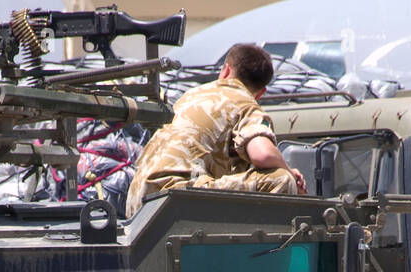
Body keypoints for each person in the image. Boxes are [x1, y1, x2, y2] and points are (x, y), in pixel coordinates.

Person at [125, 43, 306, 217]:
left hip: (138, 199)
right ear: (261, 93)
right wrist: (290, 171)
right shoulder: (247, 105)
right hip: (175, 198)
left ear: (226, 70)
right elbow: (263, 155)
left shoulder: (191, 95)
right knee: (281, 179)